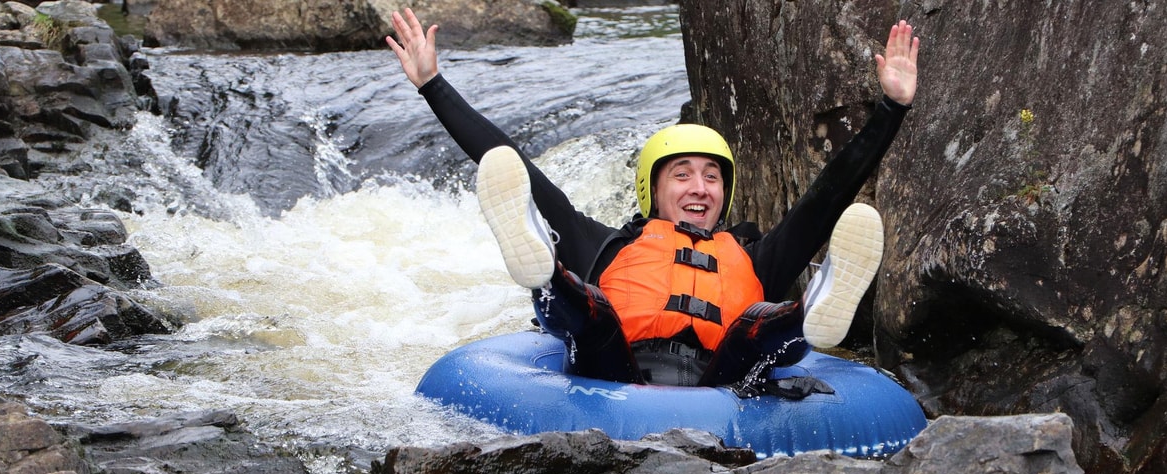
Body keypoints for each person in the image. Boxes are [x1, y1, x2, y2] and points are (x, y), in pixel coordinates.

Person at [388, 8, 919, 388]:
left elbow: (827, 197)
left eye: (713, 177)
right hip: (617, 370)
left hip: (725, 380)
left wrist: (890, 109)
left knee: (762, 331)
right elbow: (514, 166)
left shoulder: (755, 257)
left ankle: (817, 305)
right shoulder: (610, 246)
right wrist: (433, 84)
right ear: (652, 189)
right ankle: (541, 266)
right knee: (589, 314)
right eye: (682, 174)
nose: (699, 187)